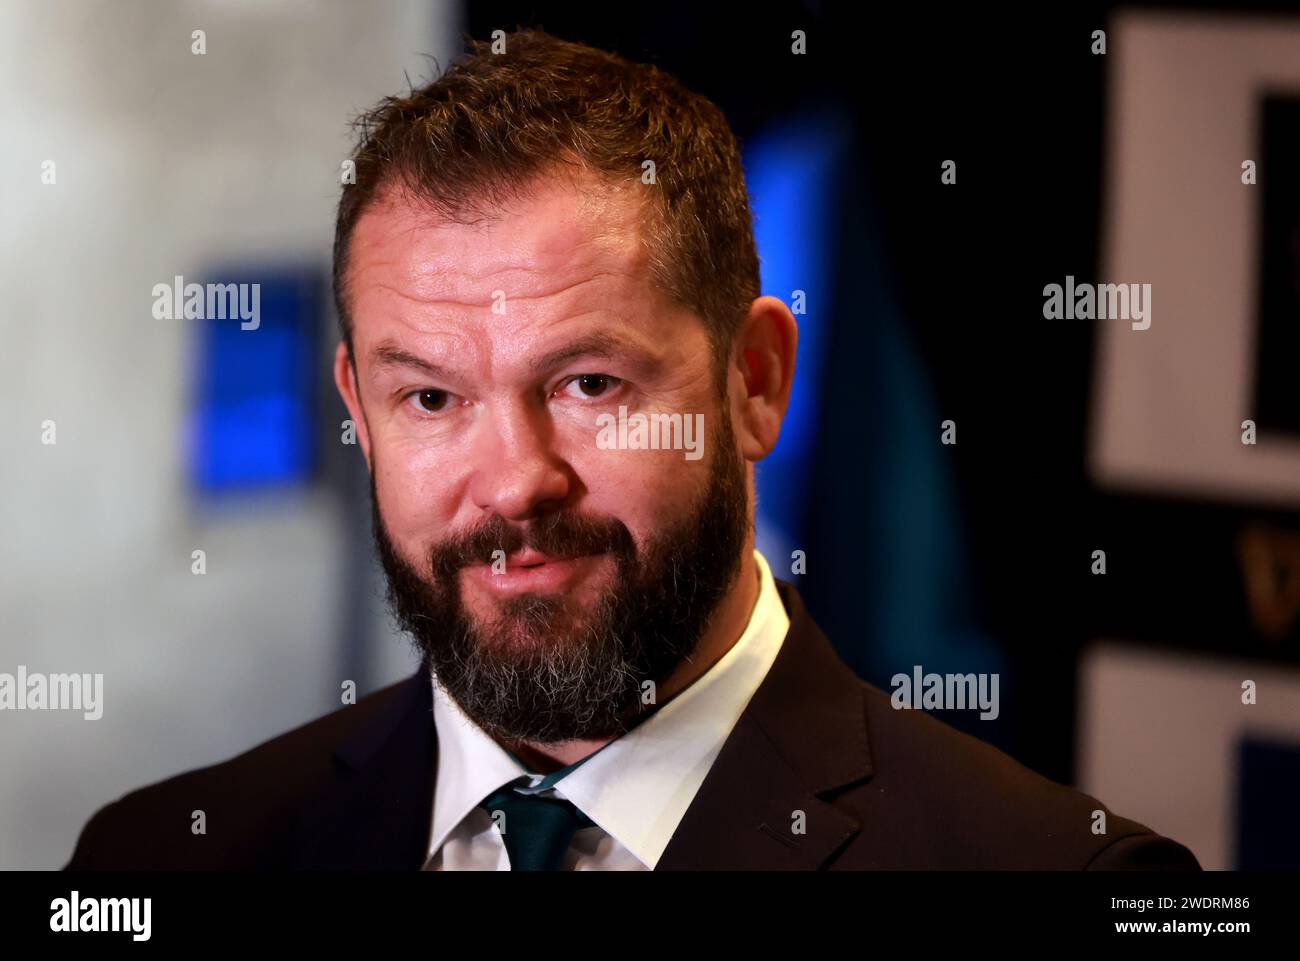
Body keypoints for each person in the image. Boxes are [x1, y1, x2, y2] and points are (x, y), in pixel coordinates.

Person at [65, 28, 1199, 871]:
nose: (514, 482)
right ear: (355, 405)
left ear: (753, 382)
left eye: (588, 383)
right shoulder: (157, 859)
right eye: (429, 399)